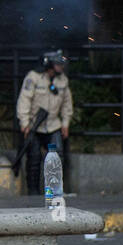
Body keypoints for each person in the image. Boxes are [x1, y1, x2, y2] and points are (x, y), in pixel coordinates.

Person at [15, 50, 73, 196]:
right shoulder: (33, 78)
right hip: (35, 126)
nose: (60, 67)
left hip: (53, 125)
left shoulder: (62, 80)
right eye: (57, 64)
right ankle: (33, 192)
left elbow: (67, 104)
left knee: (57, 156)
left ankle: (55, 191)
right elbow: (24, 100)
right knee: (34, 158)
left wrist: (65, 123)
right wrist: (24, 122)